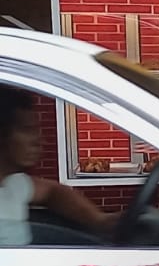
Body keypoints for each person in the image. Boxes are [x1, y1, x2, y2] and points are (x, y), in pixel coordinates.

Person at [0, 87, 114, 246]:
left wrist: (100, 220)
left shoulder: (13, 184)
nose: (39, 141)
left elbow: (52, 191)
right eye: (27, 130)